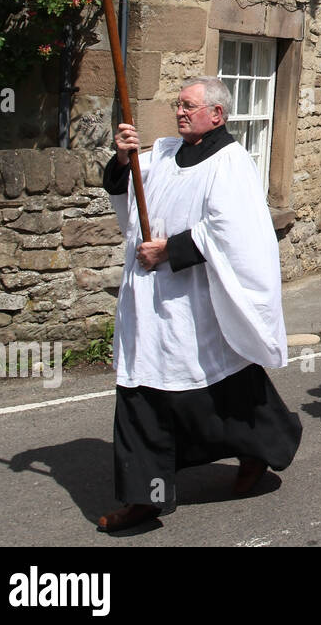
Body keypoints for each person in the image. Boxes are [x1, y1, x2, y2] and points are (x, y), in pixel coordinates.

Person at [98, 76, 300, 532]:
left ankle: (262, 444)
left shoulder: (231, 162)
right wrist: (123, 157)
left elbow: (237, 229)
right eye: (177, 104)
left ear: (217, 115)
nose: (180, 111)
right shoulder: (166, 151)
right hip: (149, 299)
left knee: (214, 380)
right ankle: (145, 499)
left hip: (195, 296)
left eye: (189, 105)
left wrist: (169, 249)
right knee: (142, 383)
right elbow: (124, 186)